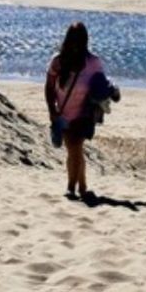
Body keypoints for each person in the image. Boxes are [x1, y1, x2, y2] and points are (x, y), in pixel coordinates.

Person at [44, 22, 118, 202]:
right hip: (63, 113)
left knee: (75, 147)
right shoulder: (58, 61)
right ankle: (82, 186)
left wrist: (113, 91)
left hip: (84, 114)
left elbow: (102, 84)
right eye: (73, 39)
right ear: (68, 40)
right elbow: (49, 87)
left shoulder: (93, 62)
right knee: (74, 150)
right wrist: (52, 110)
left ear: (85, 41)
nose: (76, 43)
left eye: (79, 40)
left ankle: (72, 187)